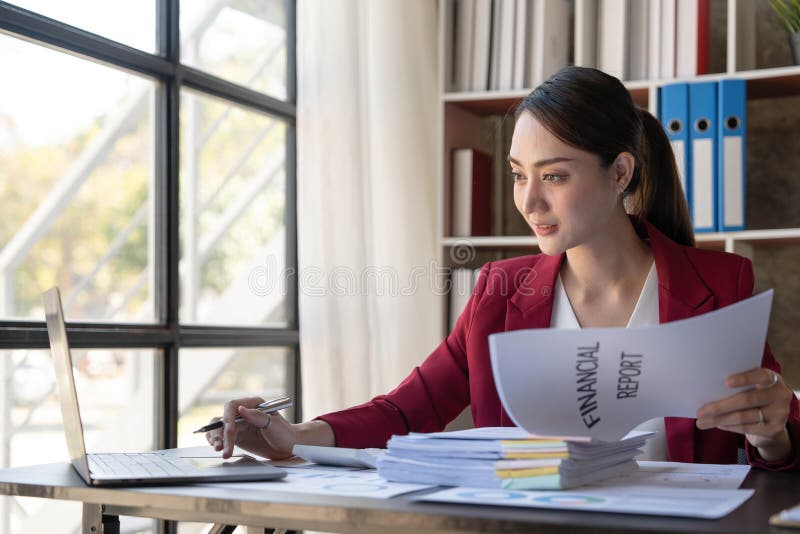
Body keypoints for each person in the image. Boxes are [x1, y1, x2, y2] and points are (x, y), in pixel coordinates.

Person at [207, 66, 799, 470]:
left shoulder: (717, 285)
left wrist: (774, 435)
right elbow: (407, 410)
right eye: (519, 175)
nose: (529, 201)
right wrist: (294, 436)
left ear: (620, 173)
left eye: (554, 176)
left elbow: (777, 433)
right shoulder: (499, 291)